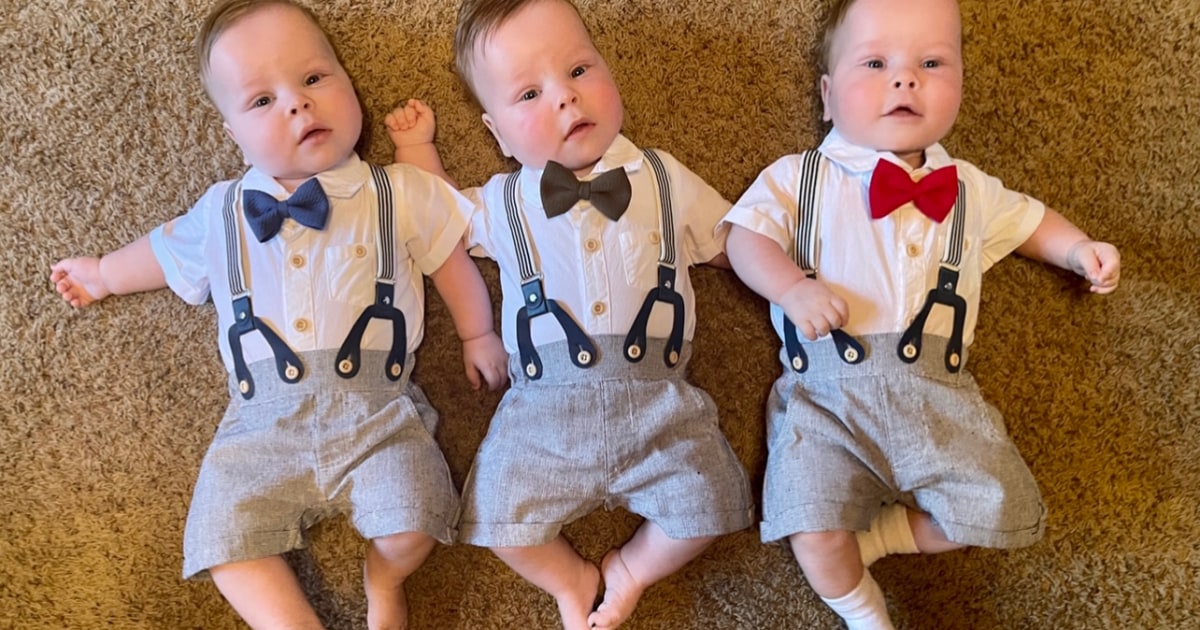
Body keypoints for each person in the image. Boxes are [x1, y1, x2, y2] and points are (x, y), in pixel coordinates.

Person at [48, 1, 507, 628]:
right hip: (257, 426)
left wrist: (477, 332)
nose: (297, 103)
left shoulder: (397, 190)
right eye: (262, 100)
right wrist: (103, 273)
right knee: (223, 542)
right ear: (233, 134)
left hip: (377, 415)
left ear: (349, 84)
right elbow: (161, 251)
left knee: (418, 518)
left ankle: (385, 577)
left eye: (315, 78)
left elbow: (450, 260)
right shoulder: (223, 210)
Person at [721, 0, 1121, 628]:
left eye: (931, 63)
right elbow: (744, 239)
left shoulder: (968, 187)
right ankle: (864, 612)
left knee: (987, 514)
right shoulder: (799, 178)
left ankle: (881, 540)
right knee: (809, 523)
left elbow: (1031, 221)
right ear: (827, 96)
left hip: (941, 400)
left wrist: (1077, 249)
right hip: (827, 402)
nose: (905, 79)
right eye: (875, 63)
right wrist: (793, 289)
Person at [388, 0, 755, 627]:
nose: (565, 96)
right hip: (541, 419)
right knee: (496, 517)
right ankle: (570, 578)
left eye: (580, 70)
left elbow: (730, 241)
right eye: (530, 93)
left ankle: (633, 569)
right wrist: (416, 147)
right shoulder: (505, 201)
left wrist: (788, 277)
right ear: (498, 135)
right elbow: (436, 214)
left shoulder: (662, 178)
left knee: (712, 507)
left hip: (661, 409)